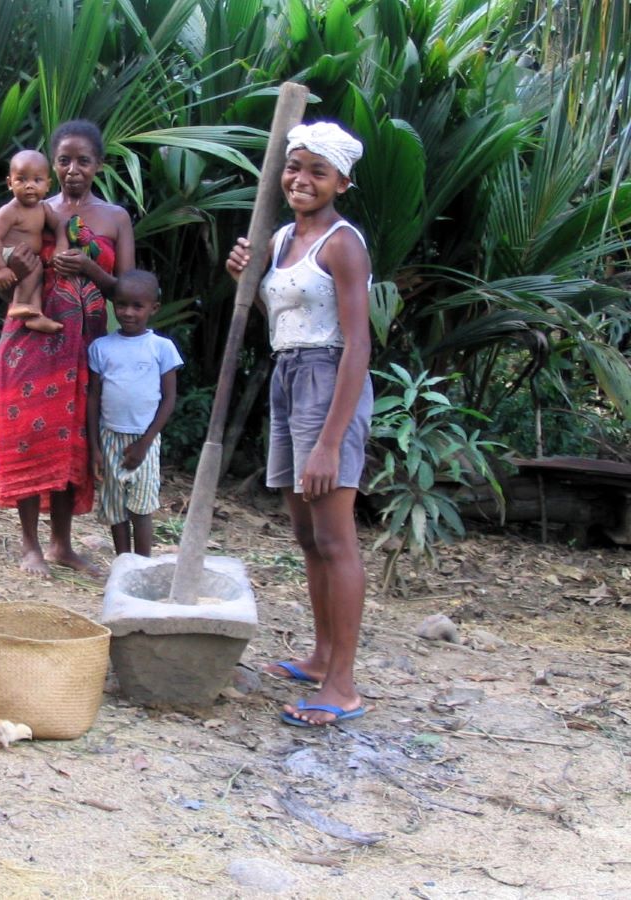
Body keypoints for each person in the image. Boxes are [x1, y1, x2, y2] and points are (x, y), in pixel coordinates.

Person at [225, 121, 373, 728]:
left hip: (329, 381)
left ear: (342, 182)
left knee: (335, 539)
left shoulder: (343, 244)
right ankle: (320, 657)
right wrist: (244, 277)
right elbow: (283, 311)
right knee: (308, 537)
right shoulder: (284, 237)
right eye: (294, 167)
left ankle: (344, 685)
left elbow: (358, 343)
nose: (301, 180)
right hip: (287, 377)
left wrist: (330, 443)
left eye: (318, 171)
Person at [0, 119, 135, 578]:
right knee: (29, 435)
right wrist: (14, 268)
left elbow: (128, 290)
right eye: (65, 160)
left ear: (99, 165)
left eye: (84, 161)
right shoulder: (30, 207)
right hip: (32, 339)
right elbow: (1, 283)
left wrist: (90, 268)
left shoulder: (115, 218)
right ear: (52, 165)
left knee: (73, 440)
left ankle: (61, 545)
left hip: (86, 343)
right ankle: (30, 545)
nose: (74, 169)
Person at [86, 269, 182, 556]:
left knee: (141, 508)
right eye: (122, 304)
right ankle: (124, 565)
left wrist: (145, 443)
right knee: (115, 508)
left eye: (137, 306)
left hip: (145, 438)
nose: (128, 312)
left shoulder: (162, 348)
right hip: (109, 436)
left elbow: (169, 399)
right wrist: (95, 448)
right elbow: (93, 397)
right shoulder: (101, 347)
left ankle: (142, 566)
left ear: (154, 308)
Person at [0, 149, 65, 334]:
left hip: (16, 259)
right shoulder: (10, 211)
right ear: (10, 183)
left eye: (37, 180)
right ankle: (18, 304)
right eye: (22, 180)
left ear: (48, 185)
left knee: (37, 275)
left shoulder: (44, 208)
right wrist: (0, 268)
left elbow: (60, 225)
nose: (29, 186)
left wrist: (61, 246)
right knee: (35, 266)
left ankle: (35, 315)